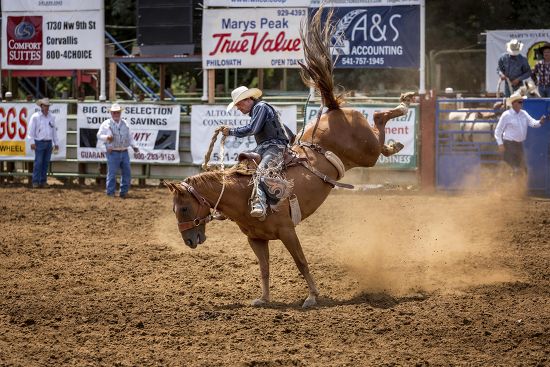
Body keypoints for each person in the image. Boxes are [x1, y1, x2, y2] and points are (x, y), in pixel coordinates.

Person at [221, 86, 291, 218]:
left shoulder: (261, 107)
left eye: (239, 104)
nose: (238, 108)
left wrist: (231, 131)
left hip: (275, 146)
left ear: (248, 99)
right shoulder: (259, 109)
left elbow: (253, 129)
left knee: (261, 171)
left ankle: (260, 203)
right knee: (241, 170)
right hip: (264, 147)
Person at [494, 93, 546, 176]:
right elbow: (498, 131)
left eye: (522, 102)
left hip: (519, 145)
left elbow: (533, 123)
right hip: (509, 144)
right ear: (514, 103)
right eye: (520, 102)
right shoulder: (506, 115)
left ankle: (516, 186)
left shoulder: (524, 113)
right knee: (516, 169)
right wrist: (500, 144)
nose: (522, 104)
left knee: (521, 168)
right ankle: (513, 186)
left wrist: (540, 122)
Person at [96, 103, 139, 198]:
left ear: (120, 113)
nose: (116, 114)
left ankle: (123, 192)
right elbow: (99, 135)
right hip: (112, 152)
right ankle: (110, 192)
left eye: (117, 112)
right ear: (111, 113)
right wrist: (107, 137)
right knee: (112, 173)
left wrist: (134, 146)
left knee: (127, 173)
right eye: (114, 112)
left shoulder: (125, 124)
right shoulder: (106, 124)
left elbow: (130, 137)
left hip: (124, 151)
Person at [28, 98, 59, 188]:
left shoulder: (51, 117)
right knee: (38, 162)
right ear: (41, 106)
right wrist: (32, 142)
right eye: (45, 105)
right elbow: (31, 131)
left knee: (45, 163)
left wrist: (56, 143)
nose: (46, 107)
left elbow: (54, 131)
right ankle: (36, 181)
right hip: (39, 142)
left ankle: (42, 181)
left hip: (48, 142)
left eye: (47, 106)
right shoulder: (35, 116)